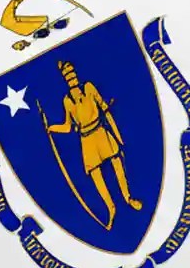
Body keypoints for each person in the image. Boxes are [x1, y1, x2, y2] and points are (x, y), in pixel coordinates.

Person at [45, 61, 142, 229]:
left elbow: (105, 110)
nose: (72, 78)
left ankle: (127, 197)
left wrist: (117, 135)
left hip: (100, 131)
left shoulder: (89, 87)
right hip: (86, 139)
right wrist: (51, 128)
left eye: (72, 74)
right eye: (68, 75)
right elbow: (68, 126)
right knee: (97, 176)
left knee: (117, 164)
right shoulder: (67, 101)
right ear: (65, 79)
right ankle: (111, 208)